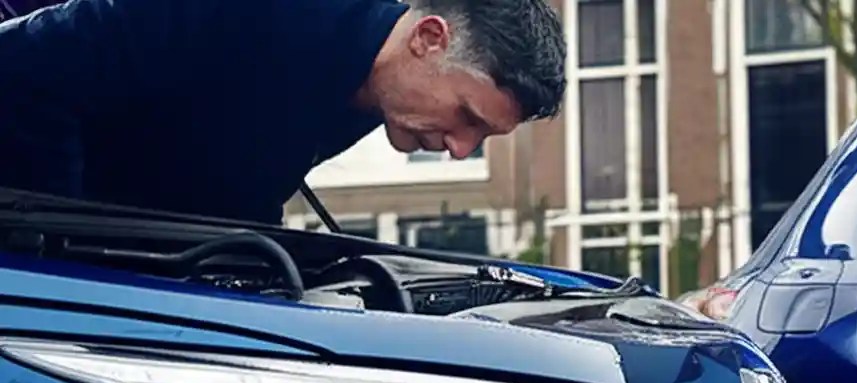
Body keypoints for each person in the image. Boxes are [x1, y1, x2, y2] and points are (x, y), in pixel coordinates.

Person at [0, 0, 565, 224]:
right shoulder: (259, 10)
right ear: (428, 38)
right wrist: (59, 240)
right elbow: (27, 62)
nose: (461, 149)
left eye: (483, 138)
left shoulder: (379, 98)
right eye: (468, 116)